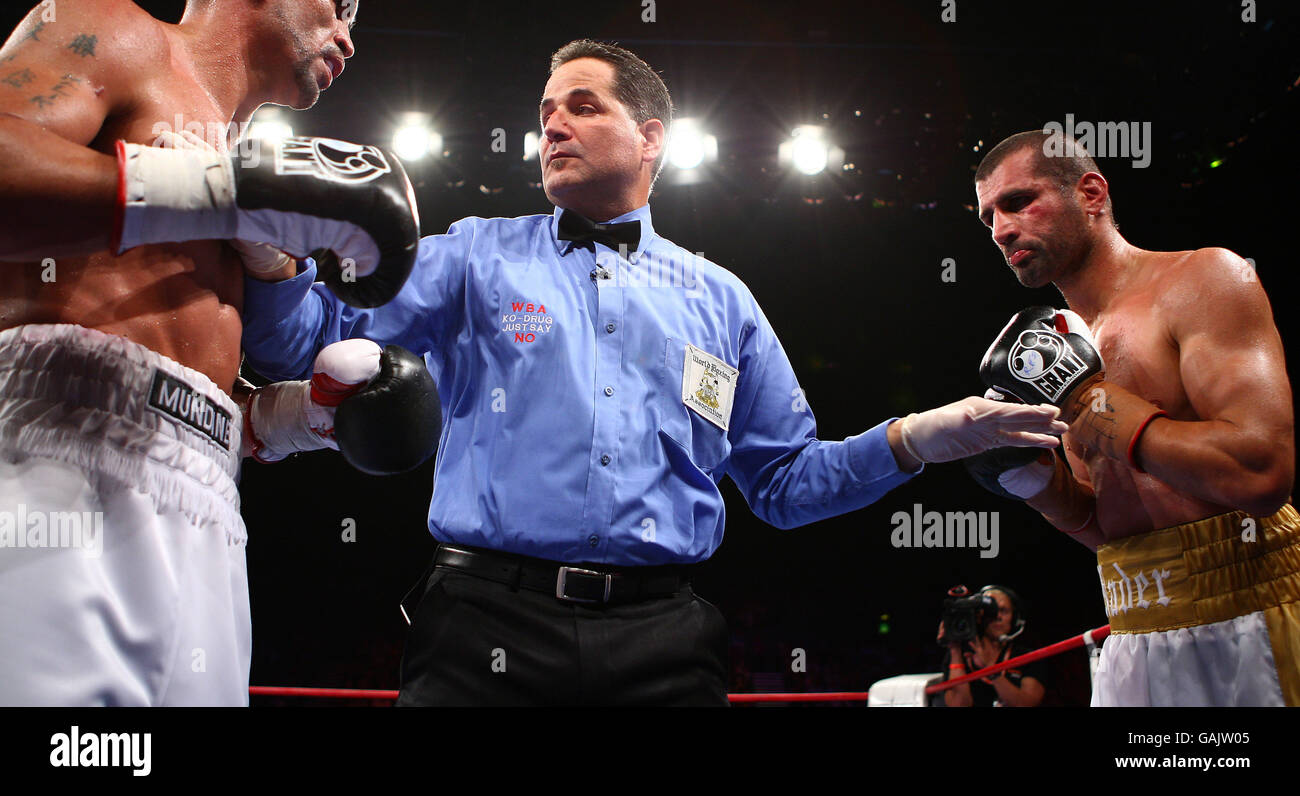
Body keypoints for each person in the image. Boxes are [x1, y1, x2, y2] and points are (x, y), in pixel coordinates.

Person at [241, 39, 1067, 706]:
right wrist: (272, 258)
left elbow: (783, 483)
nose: (552, 126)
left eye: (582, 105)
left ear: (651, 137)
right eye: (544, 113)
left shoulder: (723, 301)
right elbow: (307, 347)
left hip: (662, 642)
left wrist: (921, 438)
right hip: (481, 628)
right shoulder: (473, 254)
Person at [0, 0, 428, 705]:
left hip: (207, 515)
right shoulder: (116, 29)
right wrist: (222, 195)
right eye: (339, 0)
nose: (349, 35)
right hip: (53, 478)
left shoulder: (248, 177)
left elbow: (174, 384)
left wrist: (291, 418)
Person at [969, 129, 1297, 706]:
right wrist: (1032, 481)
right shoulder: (1057, 344)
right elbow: (1104, 526)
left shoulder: (1202, 280)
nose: (1000, 230)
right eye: (988, 216)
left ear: (1091, 194)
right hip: (1134, 627)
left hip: (1252, 610)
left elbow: (1261, 474)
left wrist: (1090, 404)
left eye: (1018, 202)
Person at [936, 585, 1045, 707]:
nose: (998, 617)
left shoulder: (1028, 658)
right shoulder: (960, 655)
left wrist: (991, 670)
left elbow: (1026, 704)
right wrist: (955, 650)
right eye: (991, 612)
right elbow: (959, 704)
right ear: (978, 616)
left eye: (1004, 611)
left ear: (1014, 618)